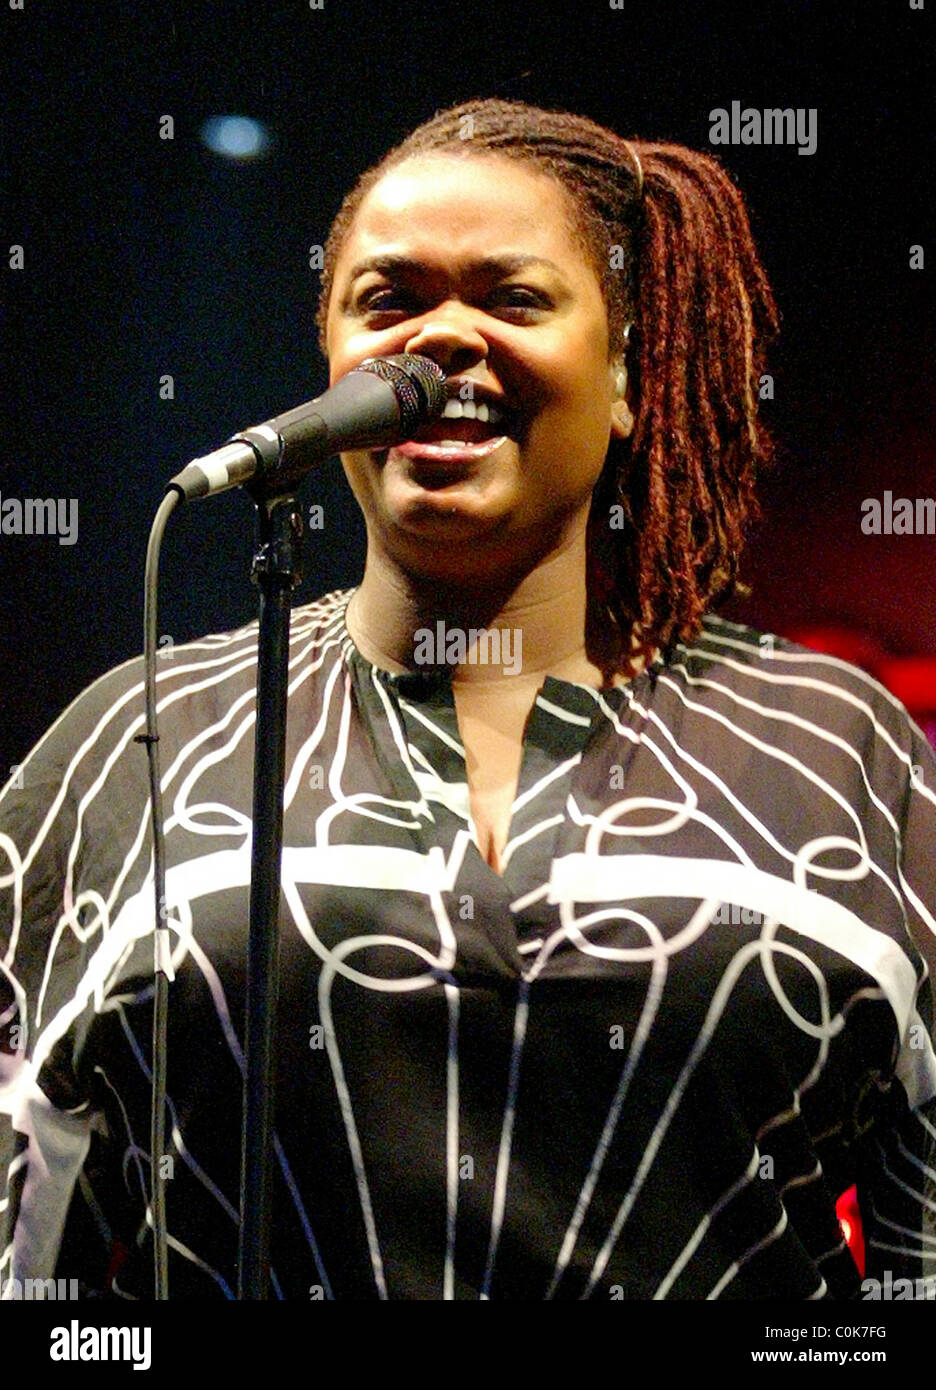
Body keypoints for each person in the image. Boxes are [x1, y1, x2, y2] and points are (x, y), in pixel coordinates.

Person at [1, 98, 934, 1302]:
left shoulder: (834, 745)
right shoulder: (139, 739)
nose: (441, 338)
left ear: (629, 380)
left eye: (514, 298)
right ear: (330, 364)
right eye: (388, 301)